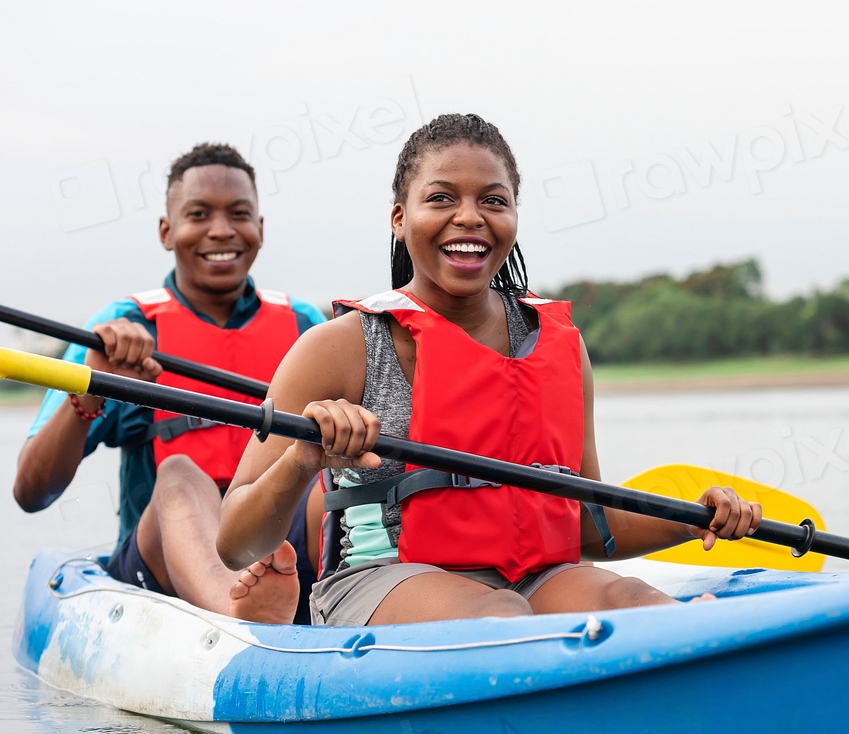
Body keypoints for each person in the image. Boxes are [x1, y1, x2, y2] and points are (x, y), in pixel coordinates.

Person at [218, 114, 762, 627]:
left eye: (493, 201)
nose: (470, 217)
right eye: (441, 198)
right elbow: (236, 542)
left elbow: (585, 527)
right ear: (400, 218)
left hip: (532, 577)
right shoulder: (338, 348)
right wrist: (301, 458)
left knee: (636, 603)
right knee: (499, 616)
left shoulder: (558, 346)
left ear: (514, 217)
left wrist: (695, 517)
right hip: (383, 583)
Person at [13, 143, 326, 624]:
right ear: (167, 230)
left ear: (259, 230)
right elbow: (32, 493)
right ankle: (236, 608)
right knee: (178, 471)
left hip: (281, 553)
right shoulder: (124, 326)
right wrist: (92, 388)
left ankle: (372, 600)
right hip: (161, 566)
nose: (221, 230)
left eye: (239, 214)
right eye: (199, 214)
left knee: (330, 479)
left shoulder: (306, 326)